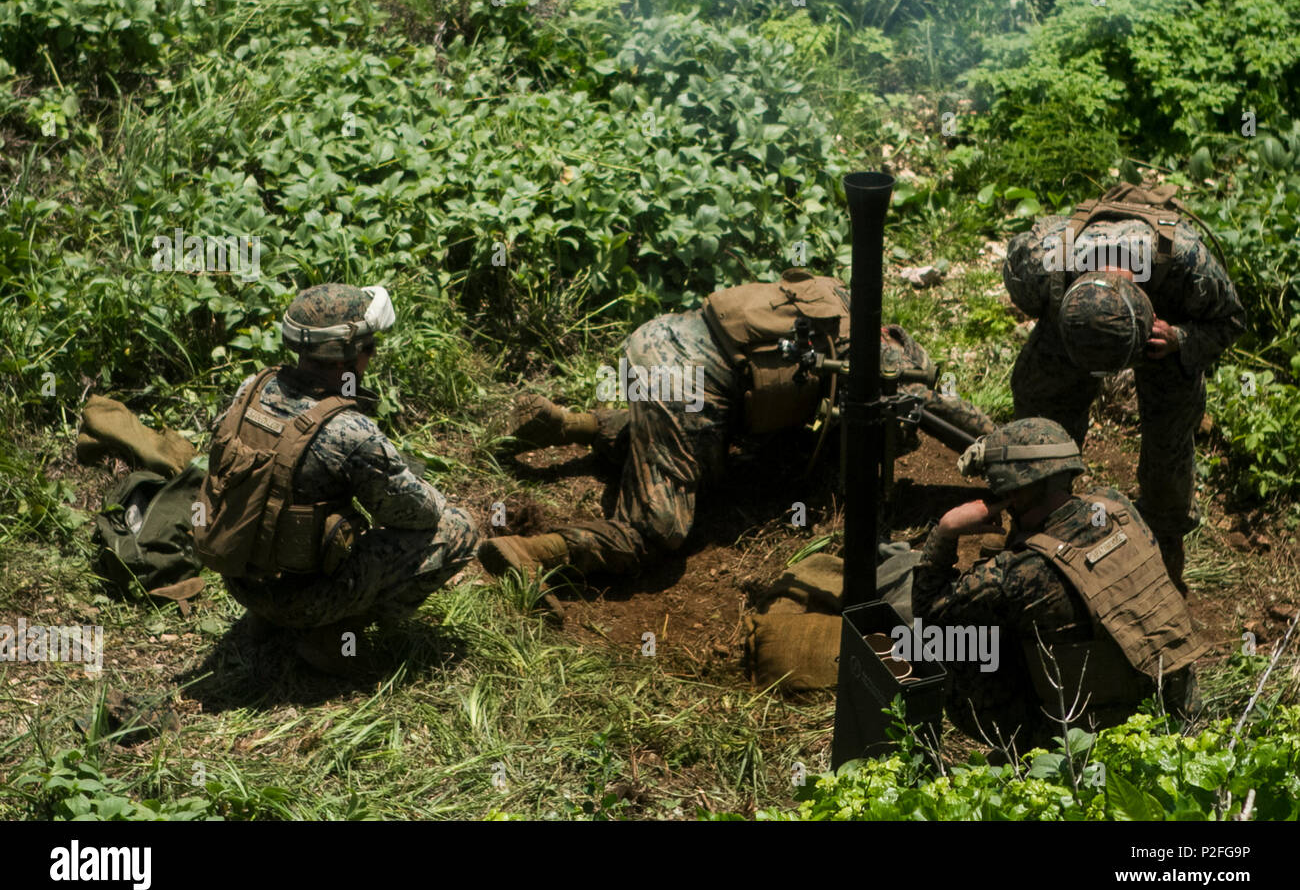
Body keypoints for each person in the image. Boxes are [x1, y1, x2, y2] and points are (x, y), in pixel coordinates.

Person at [478, 268, 995, 580]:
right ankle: (537, 553)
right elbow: (949, 414)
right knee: (661, 531)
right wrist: (1006, 450)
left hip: (661, 336)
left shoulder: (838, 305)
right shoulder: (886, 368)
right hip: (683, 386)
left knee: (682, 437)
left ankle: (573, 424)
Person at [194, 283, 478, 674]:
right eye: (369, 347)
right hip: (305, 600)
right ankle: (334, 631)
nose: (371, 356)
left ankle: (267, 620)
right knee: (459, 529)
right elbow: (418, 513)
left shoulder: (252, 389)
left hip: (242, 582)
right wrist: (408, 477)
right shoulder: (349, 432)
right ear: (351, 354)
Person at [1003, 184, 1246, 592]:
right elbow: (1028, 302)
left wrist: (1180, 339)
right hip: (1069, 329)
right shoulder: (1038, 261)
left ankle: (1165, 555)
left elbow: (1232, 322)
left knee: (1169, 444)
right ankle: (1031, 527)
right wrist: (1062, 327)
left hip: (1163, 339)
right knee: (1038, 426)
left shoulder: (1187, 264)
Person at [909, 417, 1204, 752]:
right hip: (1178, 713)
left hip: (1100, 741)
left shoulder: (1022, 570)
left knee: (957, 646)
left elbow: (928, 617)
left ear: (1013, 494)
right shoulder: (1114, 506)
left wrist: (946, 530)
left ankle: (1029, 753)